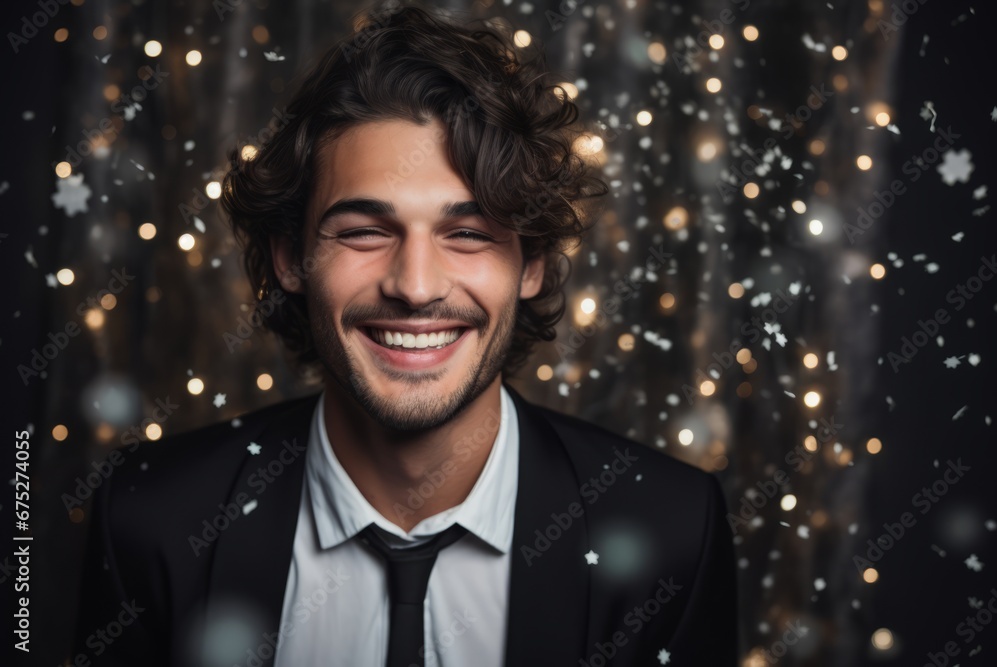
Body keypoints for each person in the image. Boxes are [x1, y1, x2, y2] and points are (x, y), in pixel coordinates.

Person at [73, 3, 738, 666]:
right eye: (365, 231)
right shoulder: (149, 519)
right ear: (289, 258)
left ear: (532, 263)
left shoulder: (675, 531)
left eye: (469, 234)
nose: (416, 287)